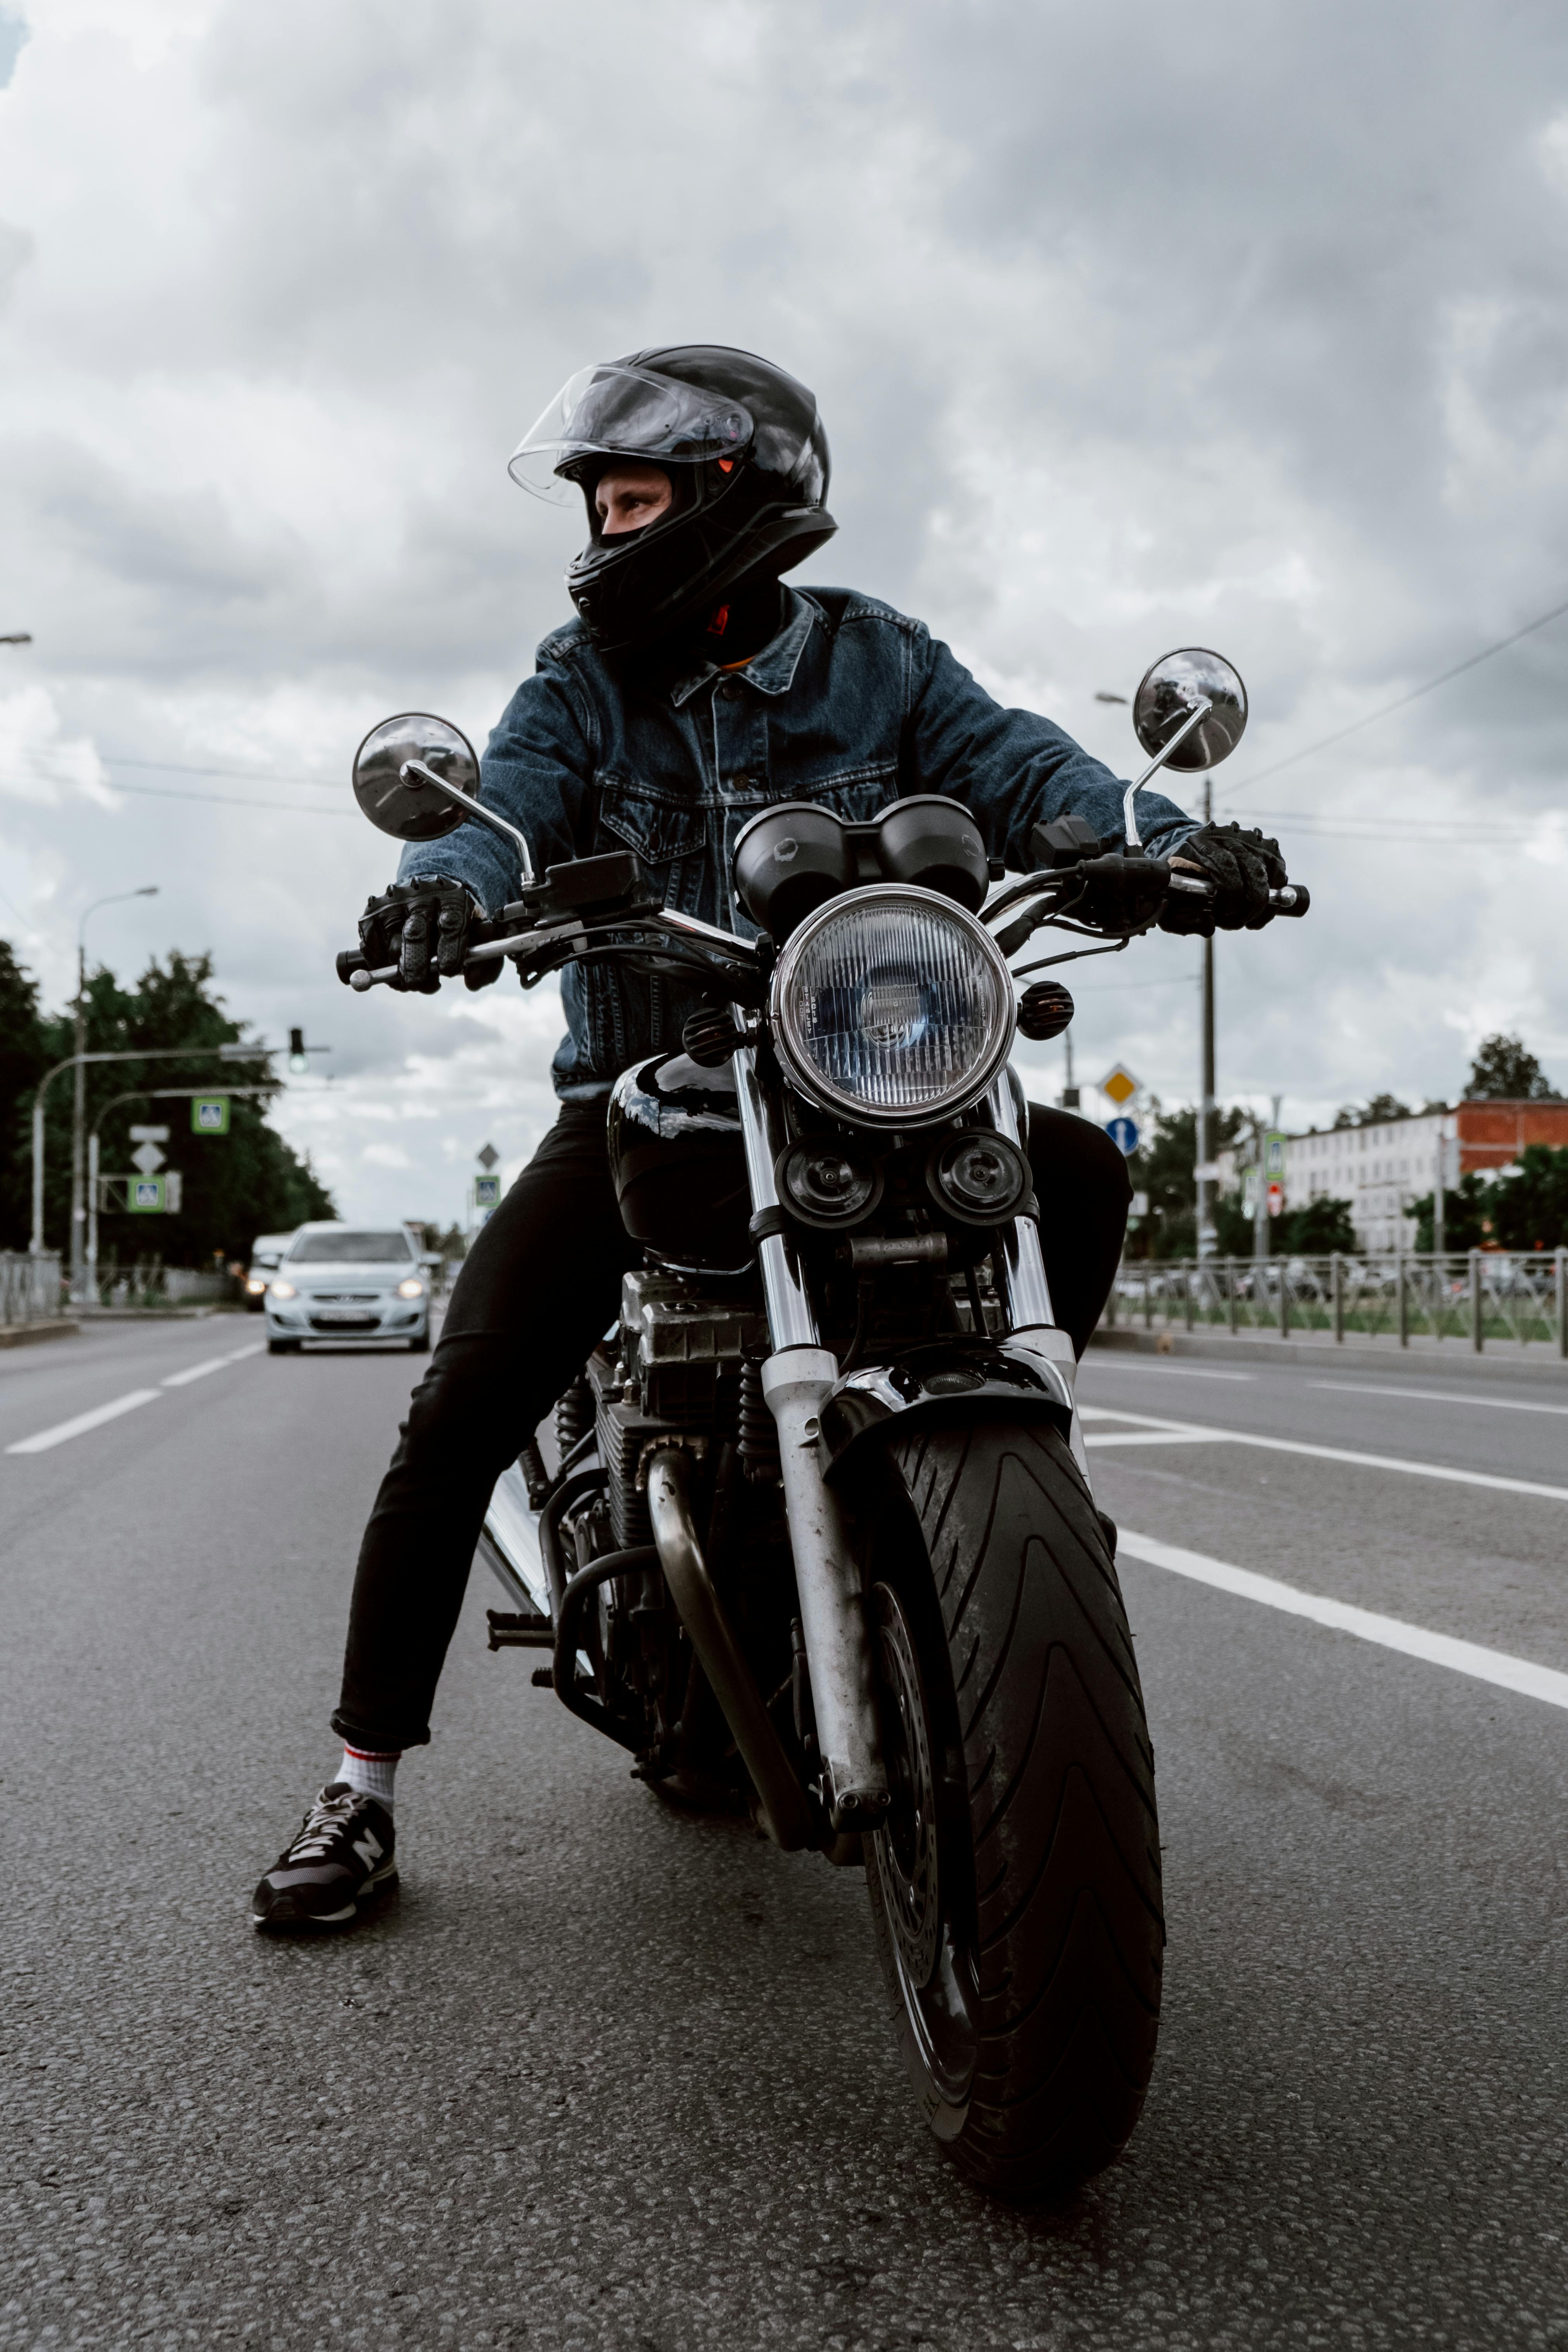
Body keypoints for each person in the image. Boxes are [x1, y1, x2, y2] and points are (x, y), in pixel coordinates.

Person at [252, 344, 1285, 1929]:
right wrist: (453, 884)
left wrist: (1166, 843)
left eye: (635, 497)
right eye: (599, 501)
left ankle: (1016, 1520)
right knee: (462, 1404)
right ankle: (360, 1782)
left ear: (737, 496)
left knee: (1075, 1167)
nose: (604, 531)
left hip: (881, 1080)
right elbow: (508, 796)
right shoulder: (580, 681)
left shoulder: (885, 662)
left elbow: (1034, 773)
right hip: (646, 1100)